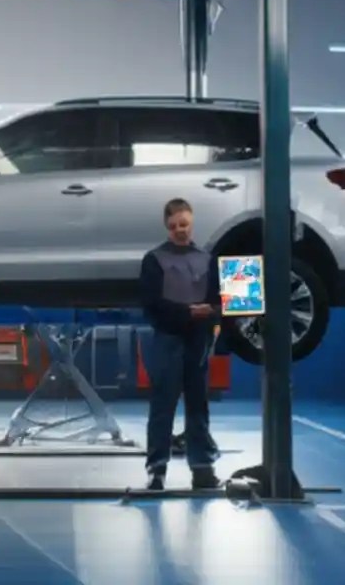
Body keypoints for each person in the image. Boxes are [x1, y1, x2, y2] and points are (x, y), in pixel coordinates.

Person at [139, 198, 222, 490]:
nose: (180, 230)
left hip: (198, 340)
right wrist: (187, 312)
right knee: (163, 404)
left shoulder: (208, 260)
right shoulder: (154, 260)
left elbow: (219, 300)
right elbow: (150, 305)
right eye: (174, 226)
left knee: (198, 404)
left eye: (184, 224)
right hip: (168, 338)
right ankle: (157, 469)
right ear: (167, 227)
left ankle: (202, 469)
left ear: (192, 222)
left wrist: (212, 314)